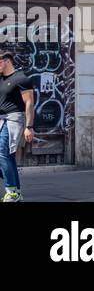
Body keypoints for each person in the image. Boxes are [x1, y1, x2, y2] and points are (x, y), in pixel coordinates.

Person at [0, 51, 36, 202]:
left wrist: (29, 126)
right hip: (2, 120)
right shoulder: (1, 79)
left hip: (14, 120)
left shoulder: (21, 78)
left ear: (6, 61)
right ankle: (16, 192)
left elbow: (29, 103)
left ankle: (12, 192)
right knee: (7, 157)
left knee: (2, 154)